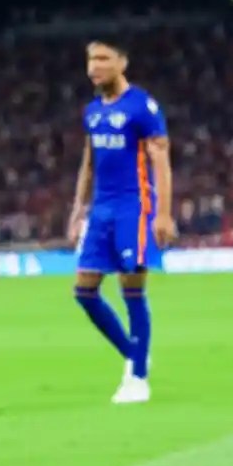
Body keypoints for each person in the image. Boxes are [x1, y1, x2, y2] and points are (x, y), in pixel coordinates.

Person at [68, 39, 175, 404]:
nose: (93, 67)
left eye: (102, 59)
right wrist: (77, 209)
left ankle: (138, 378)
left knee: (132, 289)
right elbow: (89, 161)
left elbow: (161, 160)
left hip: (136, 207)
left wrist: (163, 213)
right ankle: (135, 353)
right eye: (90, 60)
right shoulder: (93, 111)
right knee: (83, 290)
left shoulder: (142, 107)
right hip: (101, 209)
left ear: (122, 62)